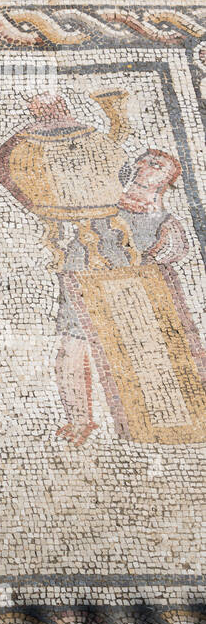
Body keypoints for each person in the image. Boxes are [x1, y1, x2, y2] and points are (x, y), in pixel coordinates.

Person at [54, 149, 206, 444]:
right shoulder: (102, 199)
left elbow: (174, 251)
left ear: (168, 179)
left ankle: (170, 420)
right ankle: (79, 421)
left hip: (132, 296)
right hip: (84, 281)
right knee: (72, 347)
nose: (143, 165)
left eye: (156, 164)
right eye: (144, 160)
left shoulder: (164, 221)